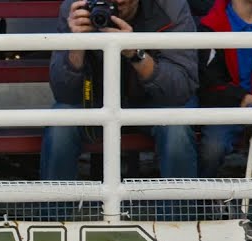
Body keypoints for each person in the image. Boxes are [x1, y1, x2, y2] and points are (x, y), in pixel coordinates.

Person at [41, 0, 199, 220]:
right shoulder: (76, 7)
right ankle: (51, 231)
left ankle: (179, 232)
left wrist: (135, 53)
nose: (114, 5)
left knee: (177, 131)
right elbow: (64, 94)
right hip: (94, 100)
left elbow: (180, 89)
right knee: (60, 126)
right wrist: (76, 44)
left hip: (154, 102)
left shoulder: (170, 6)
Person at [195, 0, 252, 179]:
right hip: (226, 107)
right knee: (212, 149)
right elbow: (209, 79)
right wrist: (241, 97)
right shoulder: (212, 24)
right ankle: (205, 198)